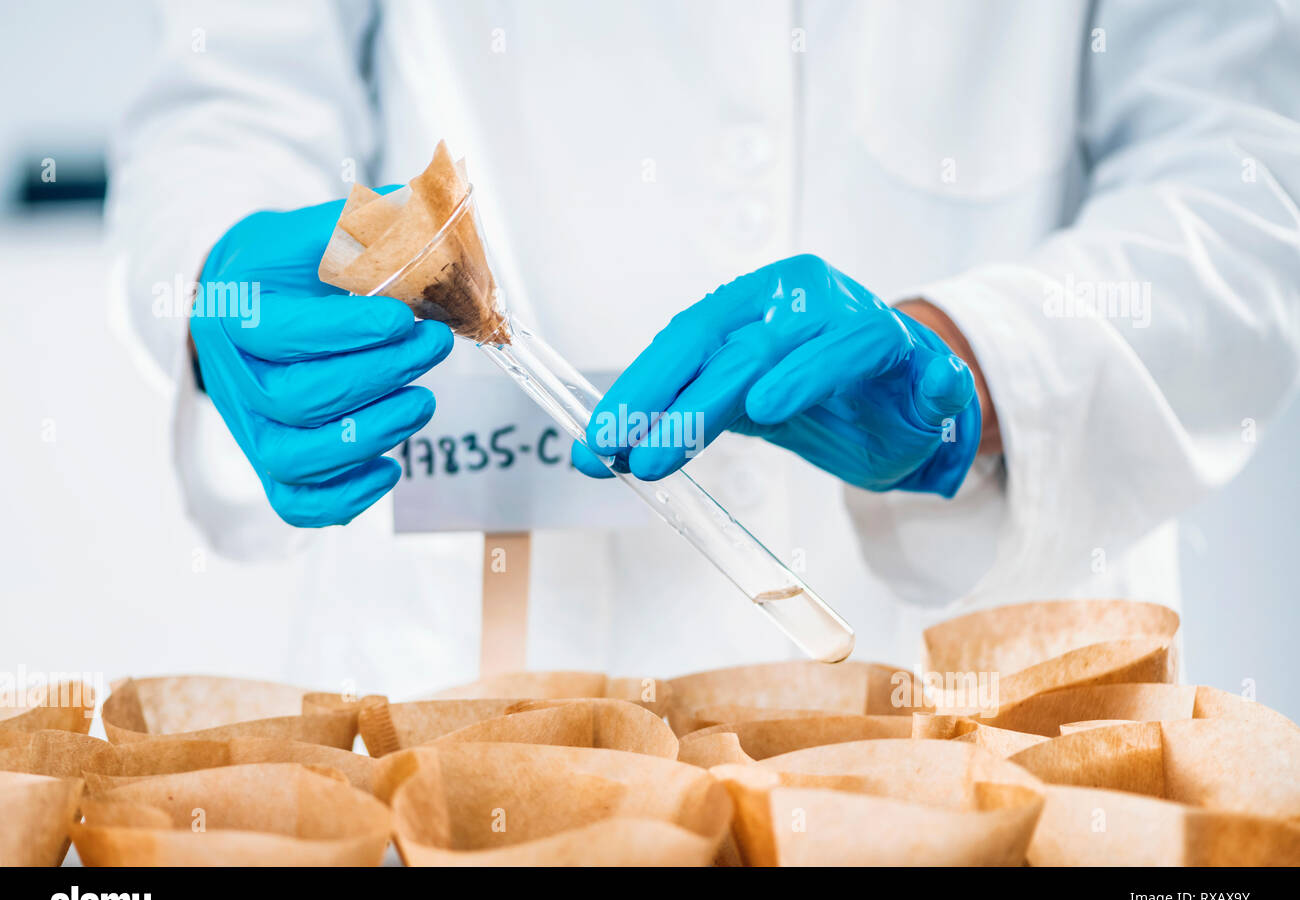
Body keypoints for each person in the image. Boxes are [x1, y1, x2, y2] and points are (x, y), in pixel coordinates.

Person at [108, 0, 1300, 696]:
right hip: (482, 630)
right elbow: (230, 93)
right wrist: (219, 285)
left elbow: (1246, 175)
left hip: (968, 652)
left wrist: (982, 367)